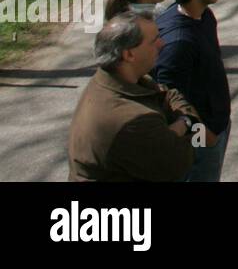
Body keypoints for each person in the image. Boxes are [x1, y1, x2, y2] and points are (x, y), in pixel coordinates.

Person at [68, 14, 200, 181]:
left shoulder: (108, 81)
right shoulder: (133, 119)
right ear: (129, 54)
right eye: (154, 40)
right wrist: (189, 121)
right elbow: (184, 162)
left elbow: (165, 93)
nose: (162, 44)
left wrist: (176, 129)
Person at [154, 0, 231, 182]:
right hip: (201, 137)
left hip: (217, 123)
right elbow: (168, 97)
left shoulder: (205, 15)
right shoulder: (178, 42)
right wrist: (204, 135)